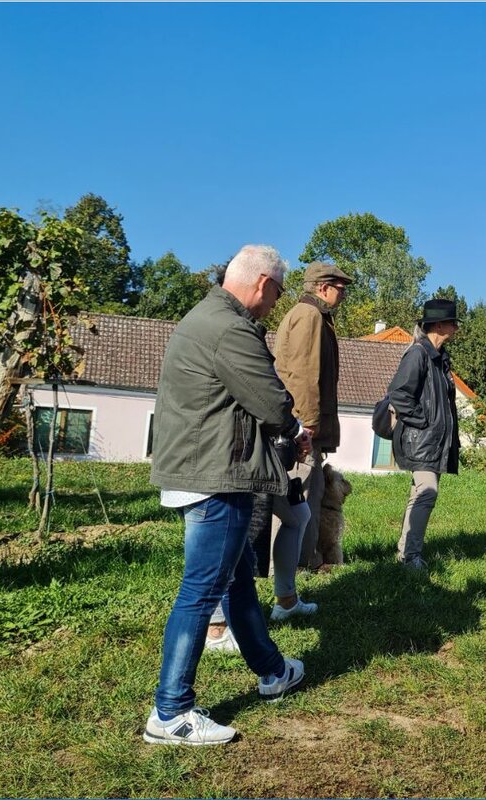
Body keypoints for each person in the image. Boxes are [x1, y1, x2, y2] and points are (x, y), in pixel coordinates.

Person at [144, 244, 308, 746]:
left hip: (204, 465)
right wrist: (294, 428)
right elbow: (271, 402)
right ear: (262, 283)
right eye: (278, 292)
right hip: (217, 474)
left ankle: (272, 671)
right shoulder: (231, 328)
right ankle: (170, 713)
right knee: (200, 593)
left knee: (236, 581)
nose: (275, 304)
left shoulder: (205, 316)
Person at [203, 435, 317, 654]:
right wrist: (293, 428)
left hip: (264, 460)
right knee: (226, 531)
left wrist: (294, 438)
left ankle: (287, 601)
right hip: (232, 458)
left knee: (299, 514)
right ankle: (216, 628)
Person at [274, 261, 353, 571]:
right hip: (303, 431)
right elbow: (303, 375)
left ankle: (304, 561)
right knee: (302, 496)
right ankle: (297, 566)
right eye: (340, 289)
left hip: (301, 427)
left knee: (308, 493)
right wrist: (307, 424)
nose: (343, 295)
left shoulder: (308, 315)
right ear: (323, 287)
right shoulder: (309, 317)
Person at [385, 298, 462, 570]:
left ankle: (406, 554)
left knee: (420, 494)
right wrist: (425, 421)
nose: (456, 327)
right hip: (420, 440)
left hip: (432, 440)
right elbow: (398, 394)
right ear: (439, 325)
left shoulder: (439, 358)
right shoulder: (418, 354)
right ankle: (410, 557)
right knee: (427, 492)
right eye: (453, 323)